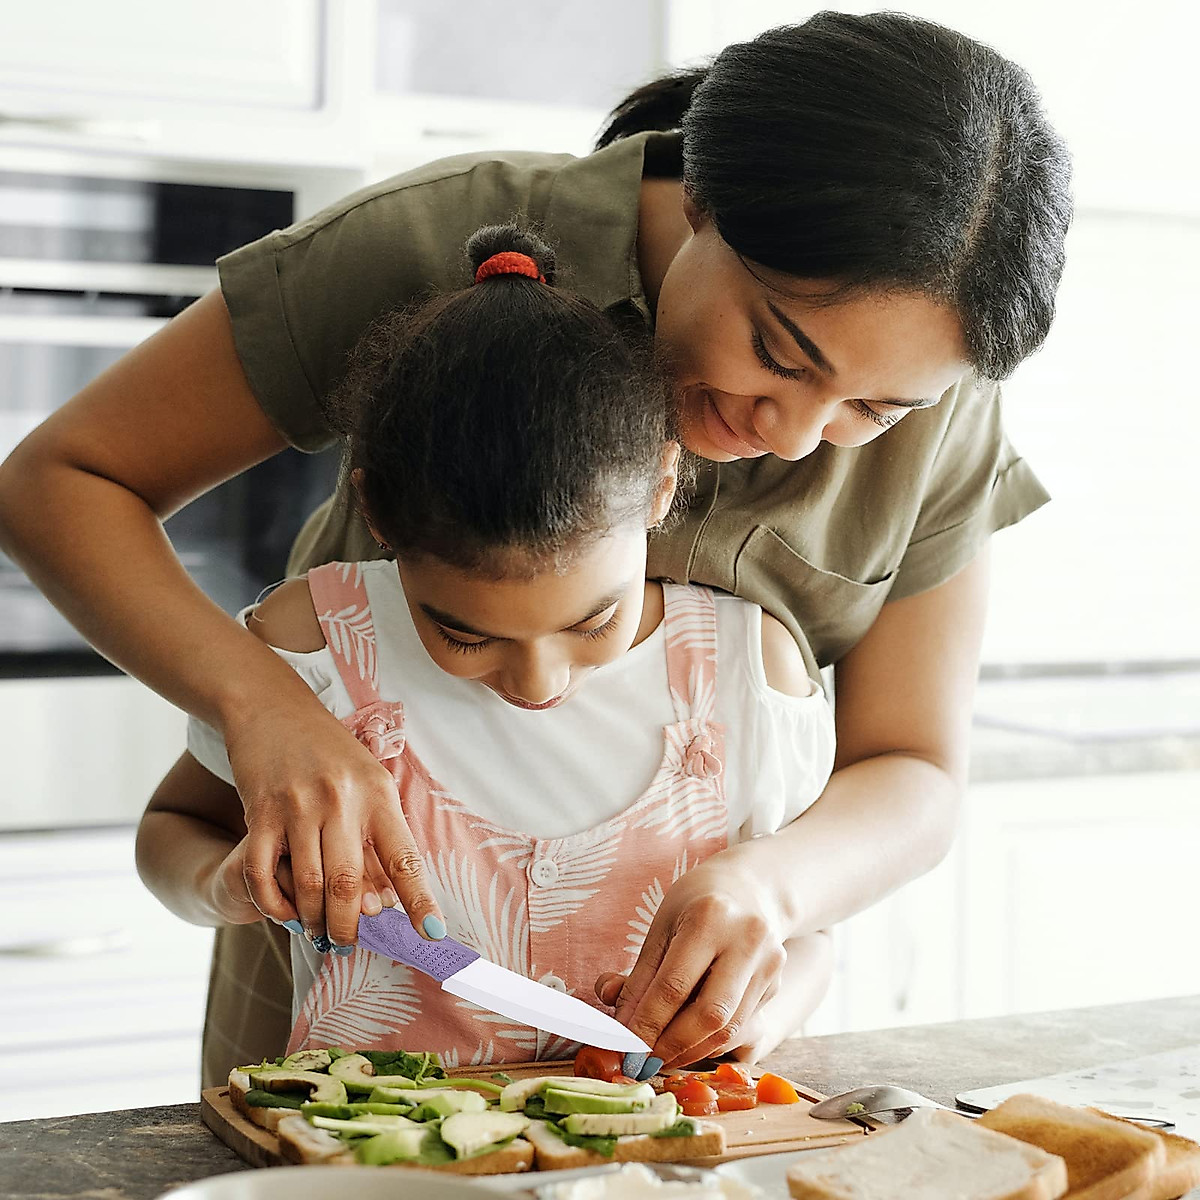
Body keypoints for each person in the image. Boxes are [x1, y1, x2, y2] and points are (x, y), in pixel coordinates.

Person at [0, 12, 1071, 1085]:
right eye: (776, 351)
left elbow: (916, 771)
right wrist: (264, 709)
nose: (795, 434)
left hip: (681, 1060)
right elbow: (61, 483)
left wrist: (775, 897)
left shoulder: (943, 395)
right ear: (700, 199)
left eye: (873, 410)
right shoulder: (441, 239)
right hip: (340, 1005)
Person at [135, 225, 837, 1067]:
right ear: (380, 516)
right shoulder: (314, 648)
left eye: (591, 623)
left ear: (660, 484)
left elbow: (814, 936)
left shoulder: (748, 674)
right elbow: (171, 830)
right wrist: (232, 885)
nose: (536, 681)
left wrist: (759, 1017)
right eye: (462, 632)